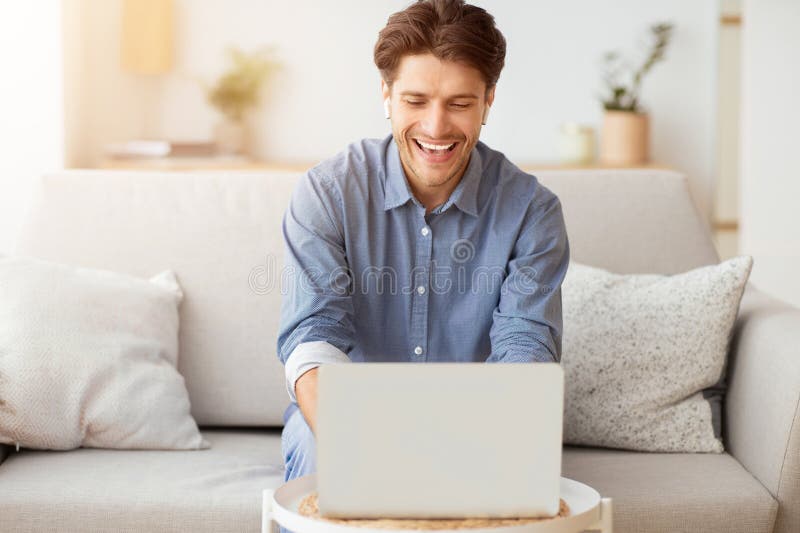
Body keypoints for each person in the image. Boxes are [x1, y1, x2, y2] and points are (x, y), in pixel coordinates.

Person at [276, 0, 570, 501]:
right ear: (386, 95)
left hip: (482, 421)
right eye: (415, 100)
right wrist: (367, 444)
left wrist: (462, 447)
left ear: (488, 100)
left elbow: (525, 350)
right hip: (349, 419)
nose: (436, 128)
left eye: (459, 103)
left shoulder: (531, 211)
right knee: (322, 455)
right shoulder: (327, 193)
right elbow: (314, 335)